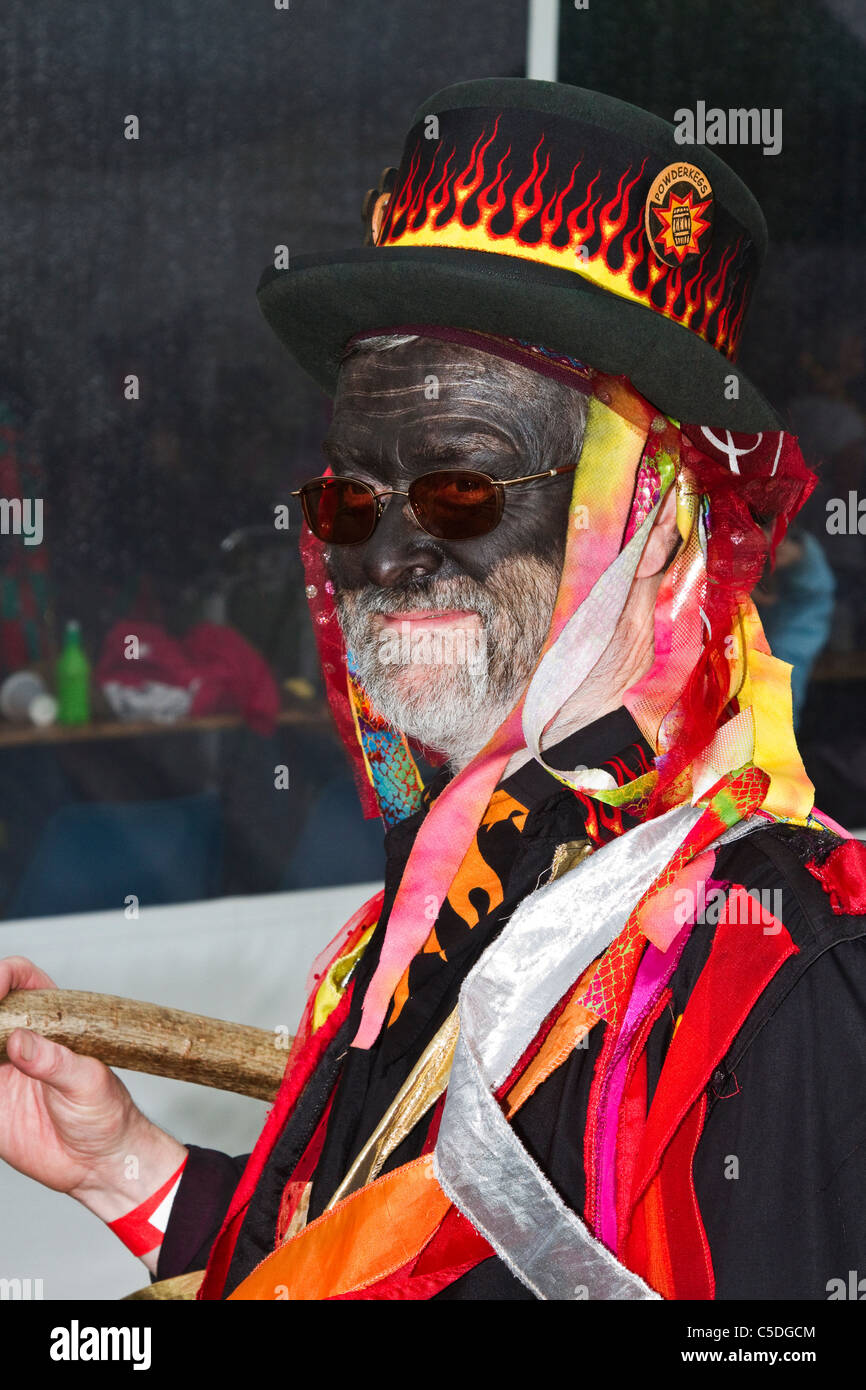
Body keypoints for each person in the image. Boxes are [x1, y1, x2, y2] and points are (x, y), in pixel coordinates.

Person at [3, 78, 866, 1302]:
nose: (389, 553)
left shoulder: (772, 976)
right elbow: (347, 1262)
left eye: (465, 488)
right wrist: (124, 1168)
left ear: (655, 518)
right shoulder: (448, 886)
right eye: (353, 497)